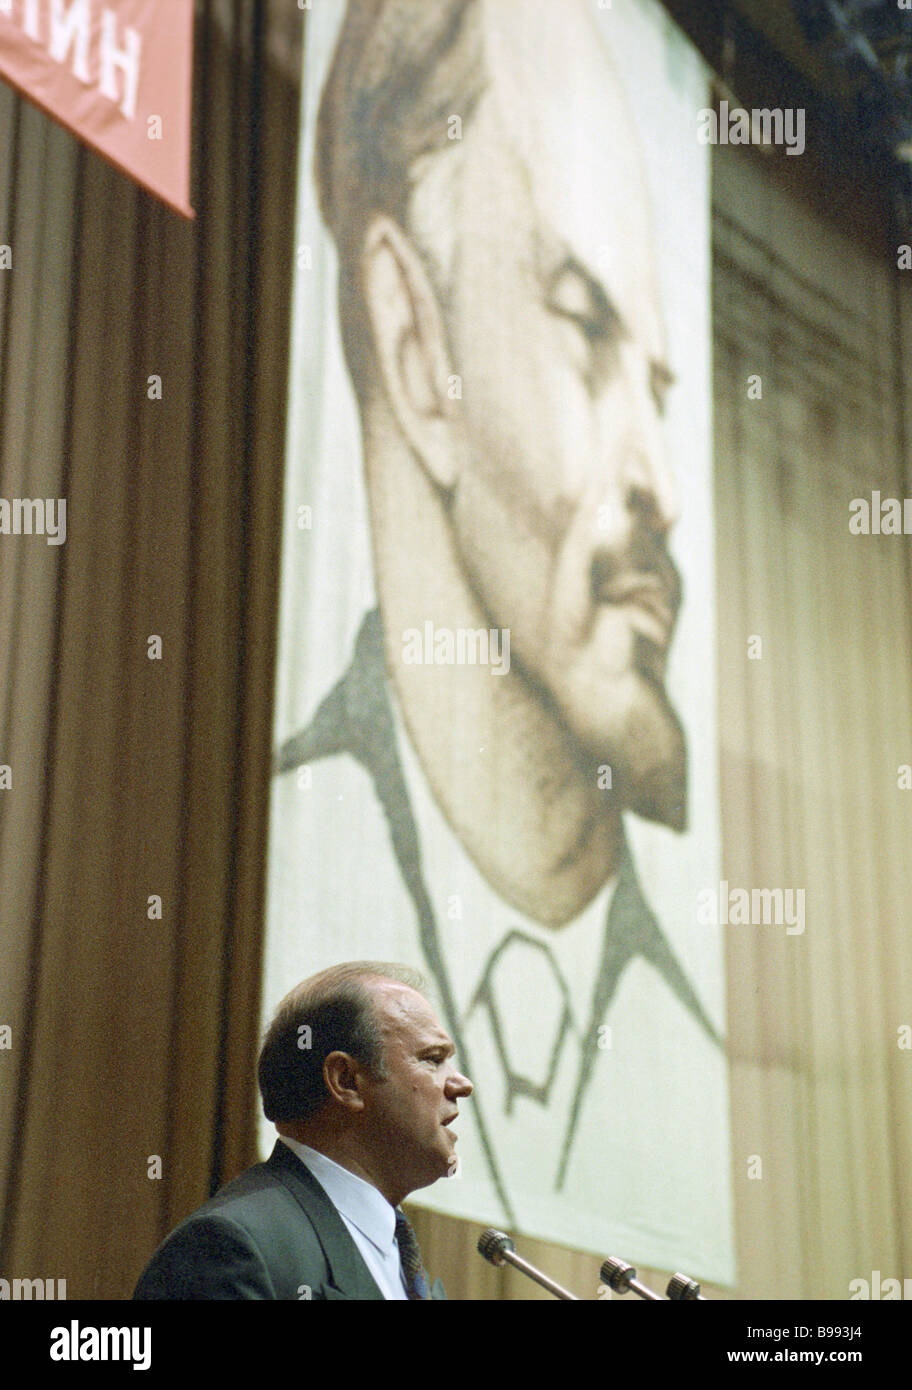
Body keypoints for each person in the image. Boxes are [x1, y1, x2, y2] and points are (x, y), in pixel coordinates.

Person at [267, 0, 732, 1274]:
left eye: (660, 386)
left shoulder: (697, 1046)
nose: (668, 492)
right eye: (586, 327)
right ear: (418, 348)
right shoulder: (250, 1250)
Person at [133, 962, 472, 1300]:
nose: (461, 1084)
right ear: (347, 1081)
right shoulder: (227, 1250)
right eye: (433, 1058)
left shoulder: (400, 1256)